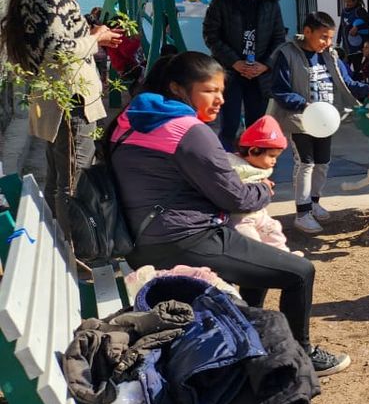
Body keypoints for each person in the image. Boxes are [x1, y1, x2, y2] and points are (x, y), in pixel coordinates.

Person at [106, 51, 350, 376]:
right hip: (184, 239)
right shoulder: (187, 131)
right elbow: (236, 197)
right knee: (300, 272)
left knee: (255, 261)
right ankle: (302, 355)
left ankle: (249, 341)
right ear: (178, 89)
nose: (220, 99)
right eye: (210, 90)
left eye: (222, 90)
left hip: (139, 240)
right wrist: (264, 189)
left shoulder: (127, 120)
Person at [1, 0, 121, 219]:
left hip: (64, 98)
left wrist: (93, 36)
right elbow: (61, 51)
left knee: (62, 179)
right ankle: (74, 252)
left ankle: (64, 244)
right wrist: (97, 37)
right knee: (74, 183)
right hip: (71, 100)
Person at [268, 12, 369, 235]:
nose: (327, 43)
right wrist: (305, 105)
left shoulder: (330, 55)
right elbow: (280, 90)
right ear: (307, 32)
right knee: (305, 163)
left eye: (330, 38)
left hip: (326, 120)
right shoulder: (287, 54)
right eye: (323, 37)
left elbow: (347, 82)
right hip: (300, 119)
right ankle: (302, 213)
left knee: (323, 162)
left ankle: (315, 202)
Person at [202, 0, 286, 152]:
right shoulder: (223, 0)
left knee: (257, 126)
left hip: (259, 74)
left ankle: (255, 169)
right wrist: (235, 62)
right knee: (229, 125)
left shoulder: (270, 3)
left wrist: (264, 64)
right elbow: (211, 35)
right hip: (230, 72)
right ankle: (226, 168)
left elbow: (279, 38)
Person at [228, 115, 301, 256]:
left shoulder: (259, 165)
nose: (274, 161)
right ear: (253, 151)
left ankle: (284, 256)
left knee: (274, 232)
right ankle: (261, 262)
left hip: (260, 214)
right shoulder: (233, 166)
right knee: (252, 243)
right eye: (272, 156)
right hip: (240, 218)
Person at [337, 0, 369, 71]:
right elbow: (341, 26)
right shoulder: (344, 11)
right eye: (346, 1)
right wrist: (338, 41)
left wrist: (357, 28)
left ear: (355, 1)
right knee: (344, 67)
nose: (347, 4)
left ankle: (357, 82)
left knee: (357, 68)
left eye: (349, 1)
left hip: (357, 47)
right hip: (346, 46)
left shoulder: (360, 11)